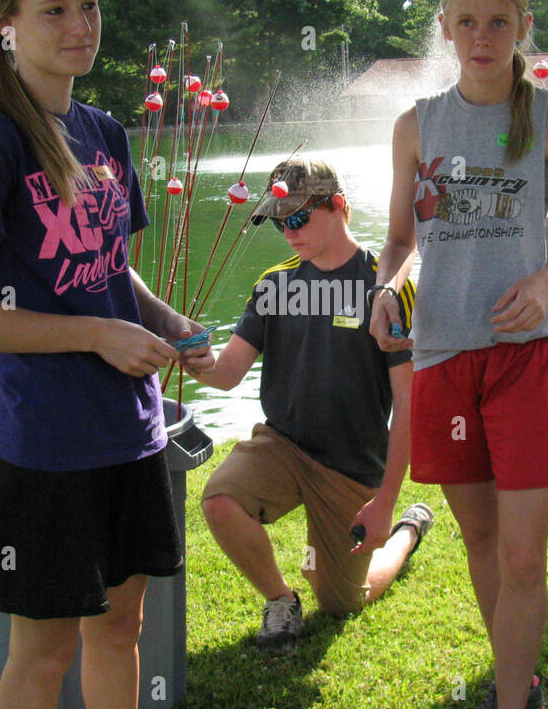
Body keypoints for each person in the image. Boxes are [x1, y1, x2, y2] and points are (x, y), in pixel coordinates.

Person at [0, 0, 212, 709]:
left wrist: (172, 325)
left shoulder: (103, 132)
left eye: (88, 4)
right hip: (43, 445)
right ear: (8, 26)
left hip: (128, 431)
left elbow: (108, 271)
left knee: (121, 626)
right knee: (43, 649)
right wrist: (95, 336)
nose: (80, 24)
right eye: (54, 10)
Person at [370, 0, 548, 709]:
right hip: (443, 356)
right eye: (465, 21)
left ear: (522, 29)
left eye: (497, 21)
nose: (480, 37)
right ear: (444, 29)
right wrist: (387, 289)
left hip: (529, 356)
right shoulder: (415, 126)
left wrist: (544, 280)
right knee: (478, 540)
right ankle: (517, 679)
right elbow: (399, 242)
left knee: (524, 555)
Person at [184, 155, 431, 655]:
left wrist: (385, 501)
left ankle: (408, 530)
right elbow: (229, 372)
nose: (288, 231)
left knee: (343, 603)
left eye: (298, 217)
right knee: (220, 500)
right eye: (279, 223)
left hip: (351, 464)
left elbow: (408, 402)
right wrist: (196, 359)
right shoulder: (275, 283)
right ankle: (280, 599)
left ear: (339, 205)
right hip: (283, 444)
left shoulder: (387, 290)